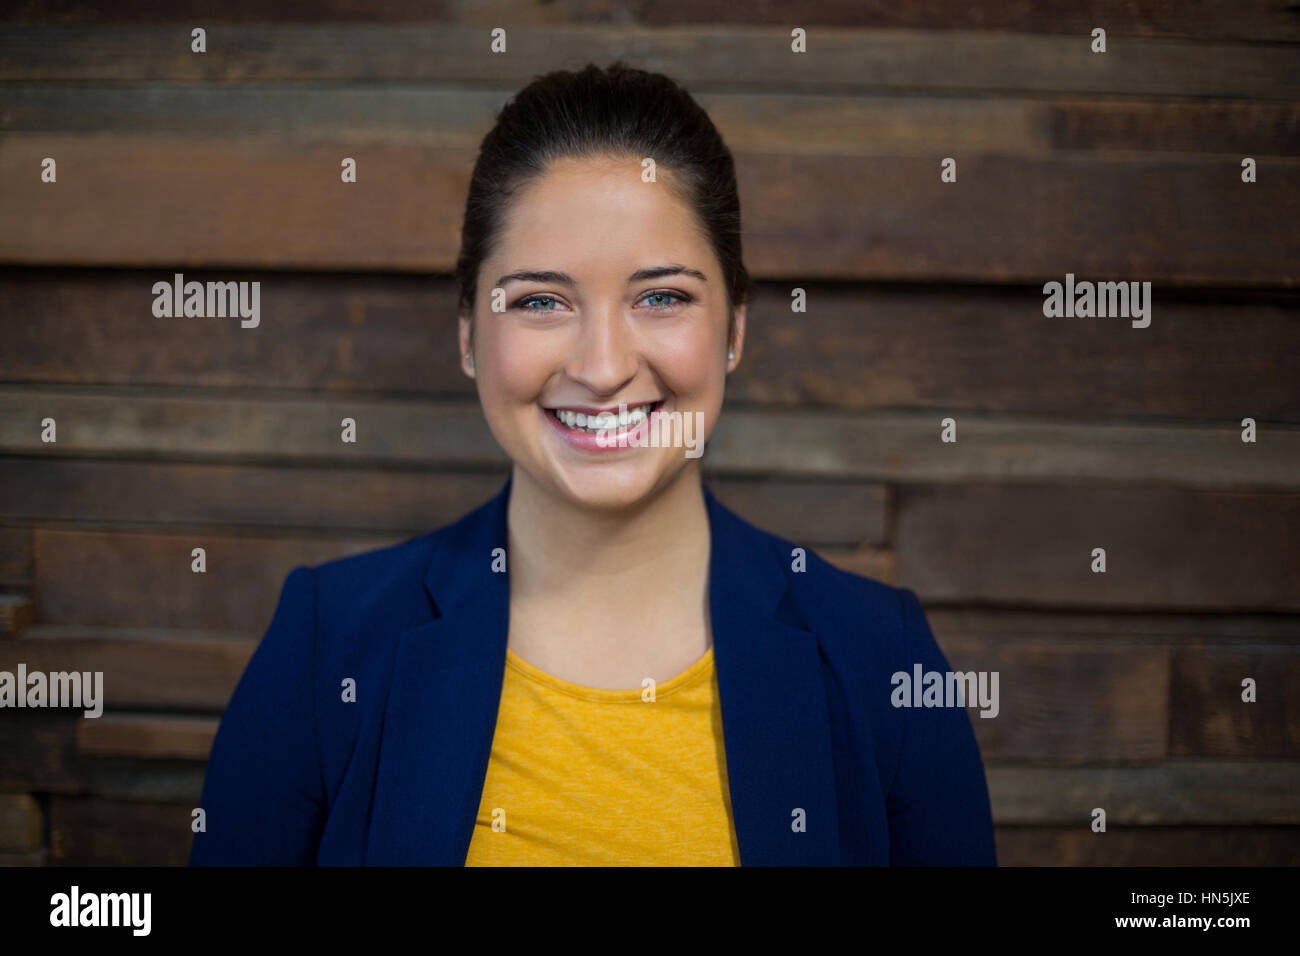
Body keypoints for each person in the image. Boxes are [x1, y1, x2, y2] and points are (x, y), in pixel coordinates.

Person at [190, 61, 995, 866]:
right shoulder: (327, 646)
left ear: (735, 330)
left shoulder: (882, 658)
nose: (603, 366)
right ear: (470, 334)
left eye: (662, 297)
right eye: (541, 301)